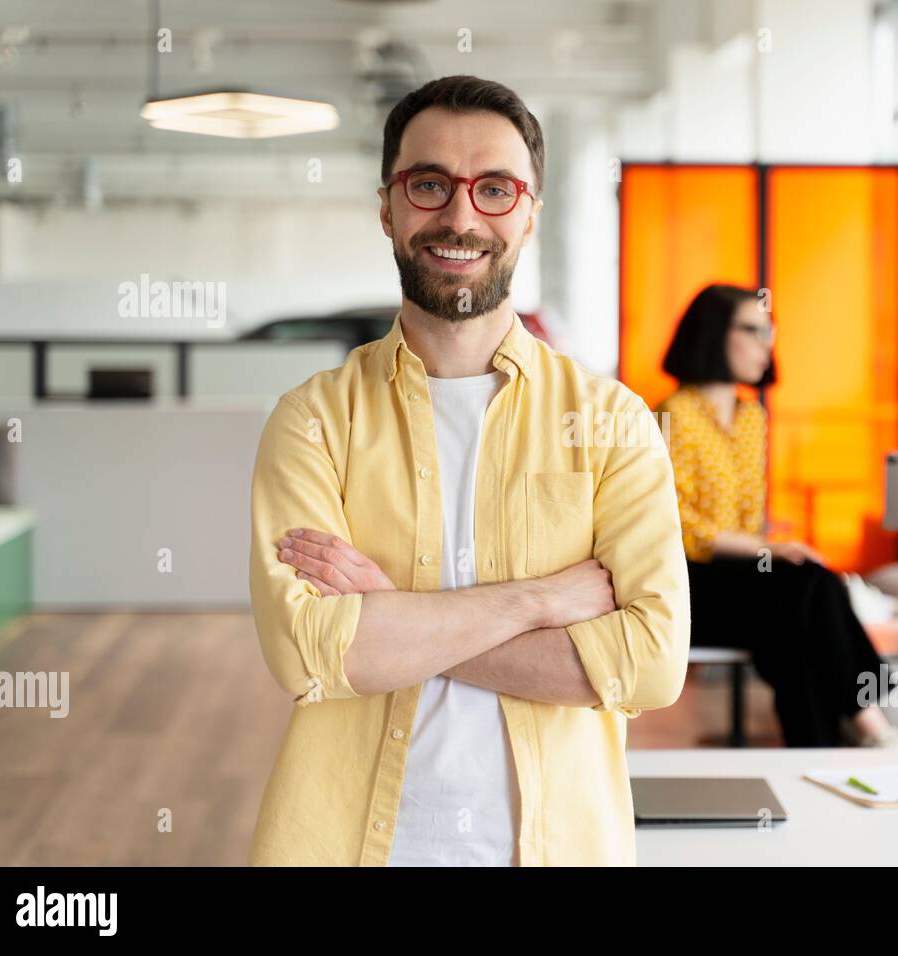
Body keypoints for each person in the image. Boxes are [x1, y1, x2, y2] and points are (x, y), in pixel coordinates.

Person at [247, 75, 690, 866]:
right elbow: (310, 652)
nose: (459, 217)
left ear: (528, 213)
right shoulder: (311, 420)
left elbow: (651, 665)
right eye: (428, 185)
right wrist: (544, 601)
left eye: (494, 189)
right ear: (387, 205)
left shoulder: (612, 421)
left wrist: (392, 616)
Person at [656, 284, 898, 748]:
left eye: (769, 331)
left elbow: (751, 519)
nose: (766, 344)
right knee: (807, 585)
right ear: (714, 333)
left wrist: (765, 549)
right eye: (752, 330)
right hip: (688, 581)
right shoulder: (672, 415)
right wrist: (767, 549)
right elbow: (677, 529)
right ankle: (870, 723)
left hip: (745, 579)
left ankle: (820, 746)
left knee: (796, 619)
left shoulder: (752, 418)